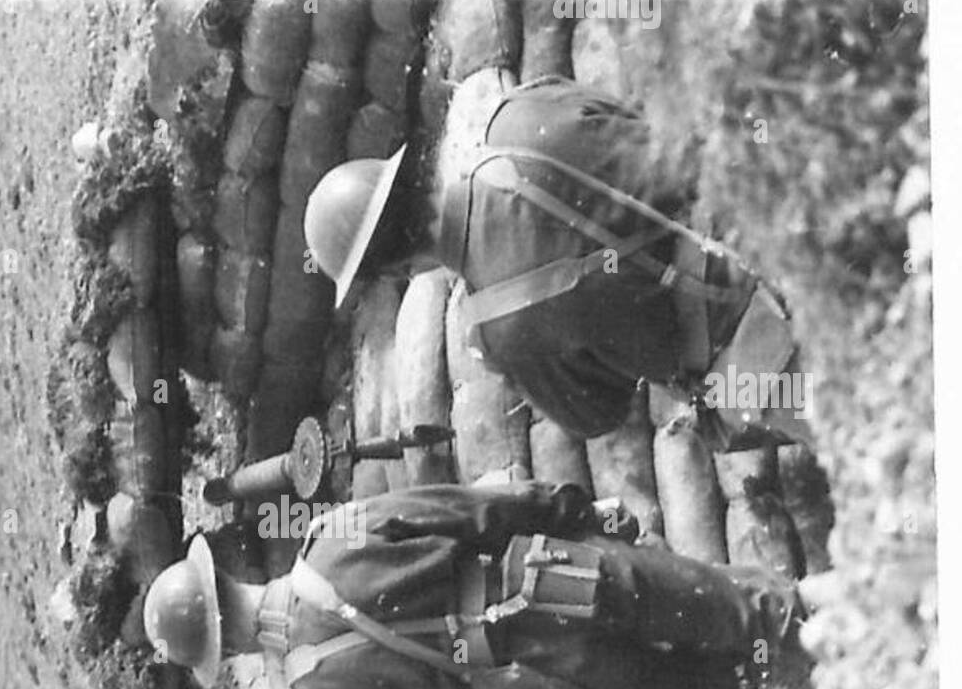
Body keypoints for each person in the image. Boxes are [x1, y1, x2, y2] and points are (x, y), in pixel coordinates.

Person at [143, 481, 832, 689]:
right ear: (228, 577)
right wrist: (576, 512)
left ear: (225, 647)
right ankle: (900, 623)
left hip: (561, 688)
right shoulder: (334, 535)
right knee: (753, 607)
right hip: (569, 579)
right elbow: (479, 511)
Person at [304, 76, 812, 449]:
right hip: (791, 195)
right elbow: (632, 119)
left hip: (768, 347)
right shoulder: (518, 115)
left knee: (883, 451)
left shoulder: (499, 327)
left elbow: (599, 414)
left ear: (397, 273)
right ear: (403, 176)